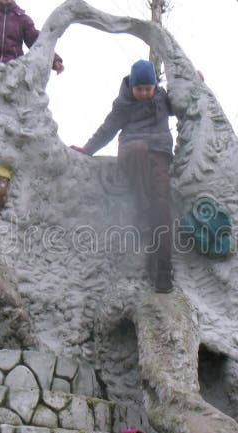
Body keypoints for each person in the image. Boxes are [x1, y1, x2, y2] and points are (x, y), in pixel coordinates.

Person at [71, 60, 175, 293]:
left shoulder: (161, 97)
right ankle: (143, 208)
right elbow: (109, 128)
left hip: (159, 150)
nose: (146, 94)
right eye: (141, 89)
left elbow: (183, 104)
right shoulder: (124, 104)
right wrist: (88, 149)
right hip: (132, 149)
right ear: (133, 87)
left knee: (162, 203)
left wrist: (193, 82)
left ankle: (163, 269)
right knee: (138, 149)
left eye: (149, 89)